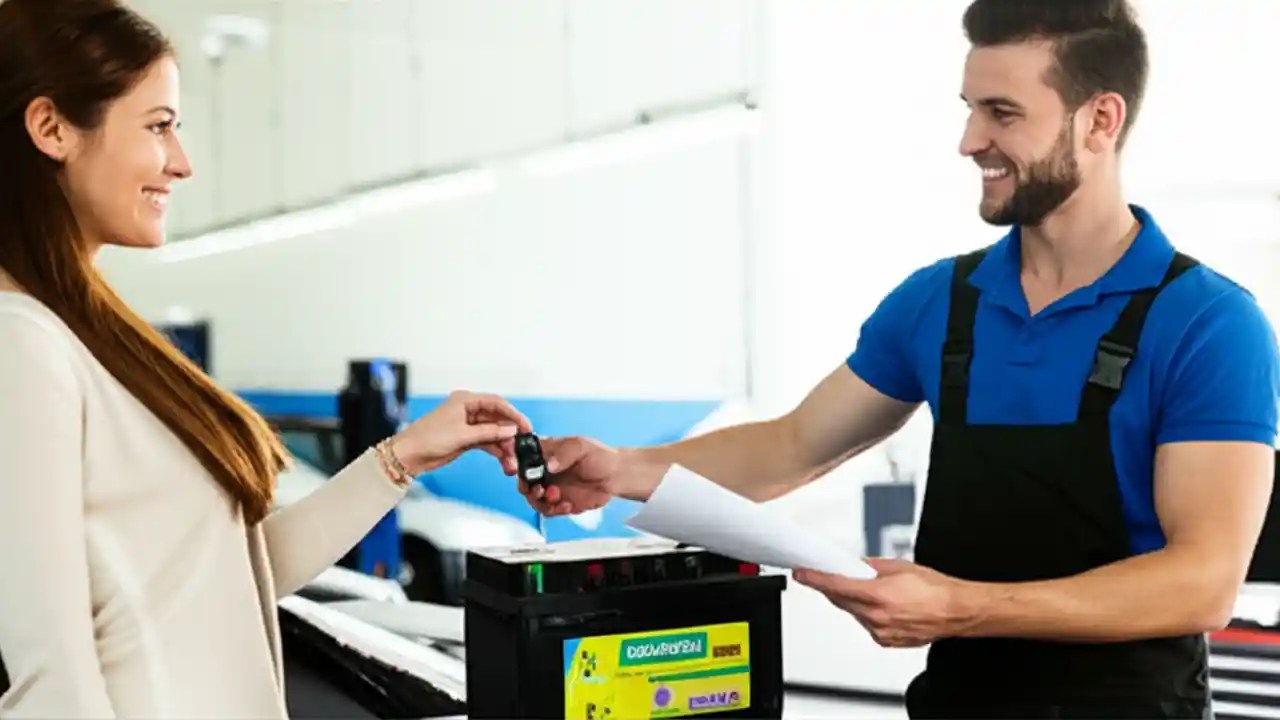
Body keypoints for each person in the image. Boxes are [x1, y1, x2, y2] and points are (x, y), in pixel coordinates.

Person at [517, 0, 1280, 717]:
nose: (970, 140)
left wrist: (962, 607)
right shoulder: (941, 303)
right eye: (970, 108)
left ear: (1099, 121)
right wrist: (621, 470)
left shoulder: (1208, 323)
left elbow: (1202, 583)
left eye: (1002, 112)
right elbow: (792, 445)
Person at [0, 1, 532, 717]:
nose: (181, 163)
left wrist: (403, 458)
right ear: (52, 128)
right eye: (159, 126)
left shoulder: (91, 341)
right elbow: (50, 677)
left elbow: (232, 580)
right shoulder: (21, 345)